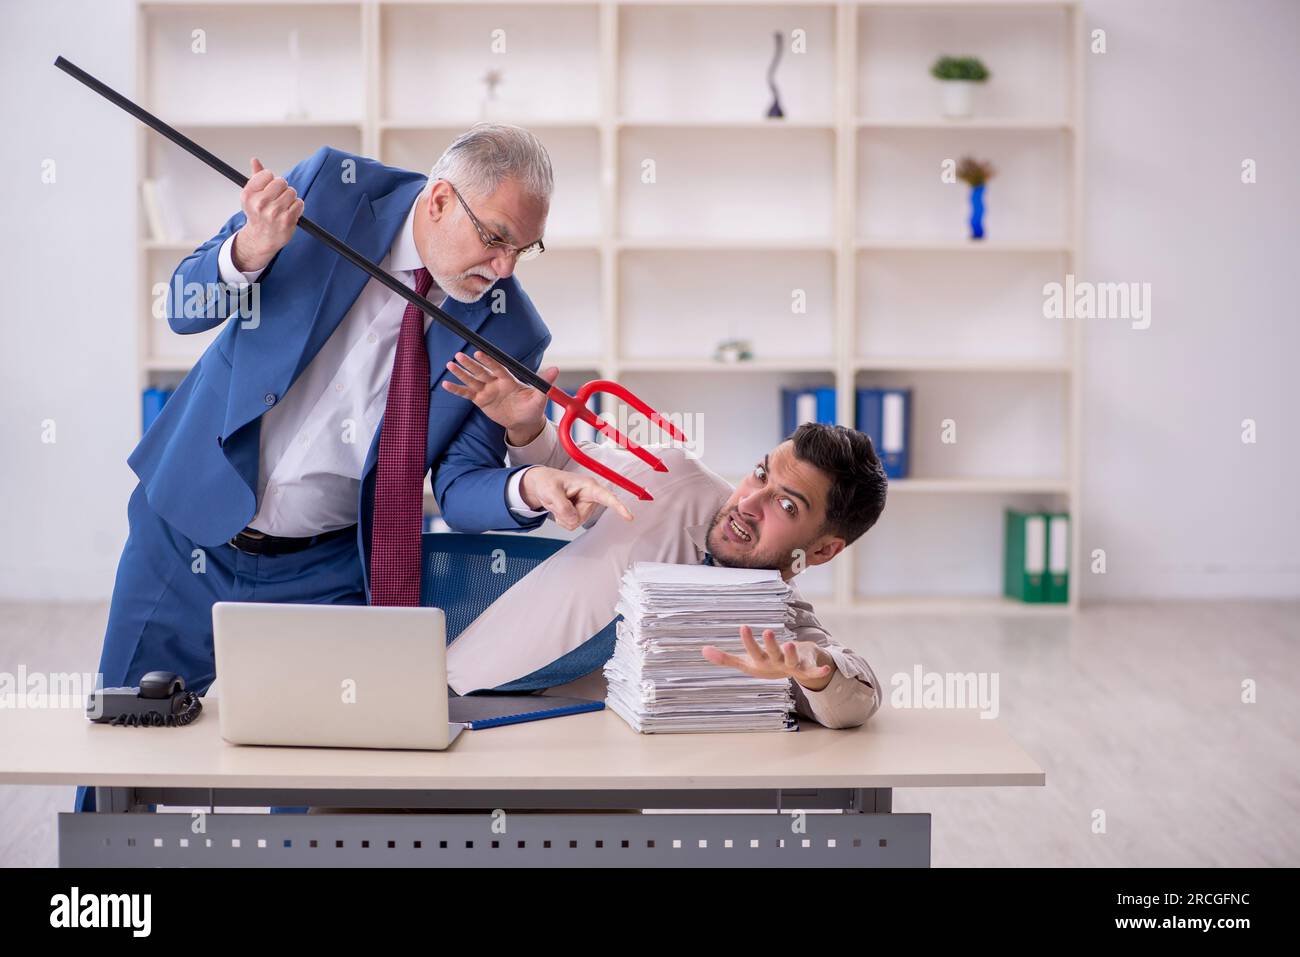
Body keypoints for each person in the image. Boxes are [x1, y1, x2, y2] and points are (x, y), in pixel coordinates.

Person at [78, 126, 620, 811]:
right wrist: (249, 249)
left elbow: (459, 486)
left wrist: (530, 466)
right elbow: (185, 303)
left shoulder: (510, 330)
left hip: (326, 573)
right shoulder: (333, 192)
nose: (506, 268)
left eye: (523, 249)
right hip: (186, 533)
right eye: (496, 238)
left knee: (317, 792)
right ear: (441, 201)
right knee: (122, 753)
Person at [441, 351, 890, 729]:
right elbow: (561, 461)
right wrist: (526, 427)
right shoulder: (673, 478)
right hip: (448, 684)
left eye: (787, 506)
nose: (750, 503)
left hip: (567, 742)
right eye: (760, 474)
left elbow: (857, 696)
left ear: (823, 550)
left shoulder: (773, 627)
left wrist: (813, 670)